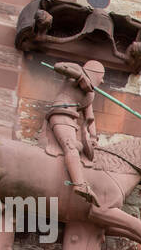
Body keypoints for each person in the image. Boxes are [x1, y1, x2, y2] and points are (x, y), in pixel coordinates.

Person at [45, 60, 105, 206]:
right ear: (96, 73)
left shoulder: (90, 94)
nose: (101, 81)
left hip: (74, 122)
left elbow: (90, 118)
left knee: (79, 149)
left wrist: (93, 137)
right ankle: (79, 184)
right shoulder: (77, 70)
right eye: (101, 77)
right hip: (60, 113)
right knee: (70, 147)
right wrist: (79, 76)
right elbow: (58, 66)